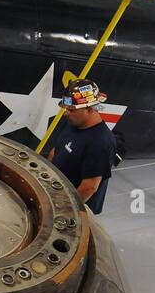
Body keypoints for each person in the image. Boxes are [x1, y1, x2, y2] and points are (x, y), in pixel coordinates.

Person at [44, 78, 117, 214]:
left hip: (76, 206)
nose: (66, 113)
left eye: (71, 110)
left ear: (89, 109)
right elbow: (57, 149)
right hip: (57, 191)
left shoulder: (101, 142)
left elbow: (89, 187)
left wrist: (65, 210)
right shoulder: (74, 122)